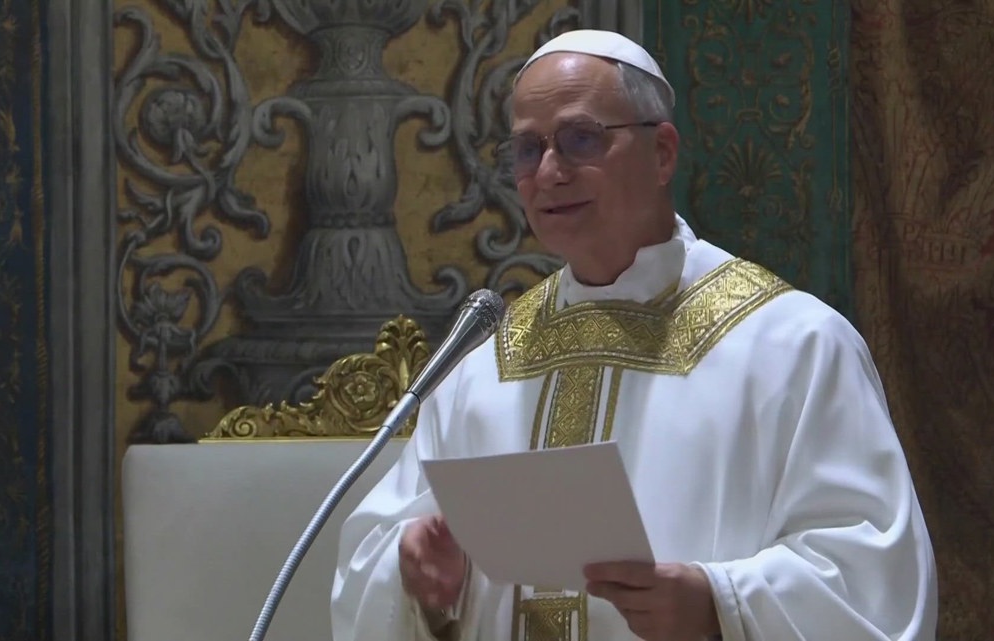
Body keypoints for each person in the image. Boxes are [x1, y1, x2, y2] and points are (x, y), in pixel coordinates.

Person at [330, 28, 937, 641]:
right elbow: (378, 556)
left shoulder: (793, 345)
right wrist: (423, 586)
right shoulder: (483, 362)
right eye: (527, 149)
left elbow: (875, 578)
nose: (549, 171)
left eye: (580, 139)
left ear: (663, 152)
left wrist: (717, 604)